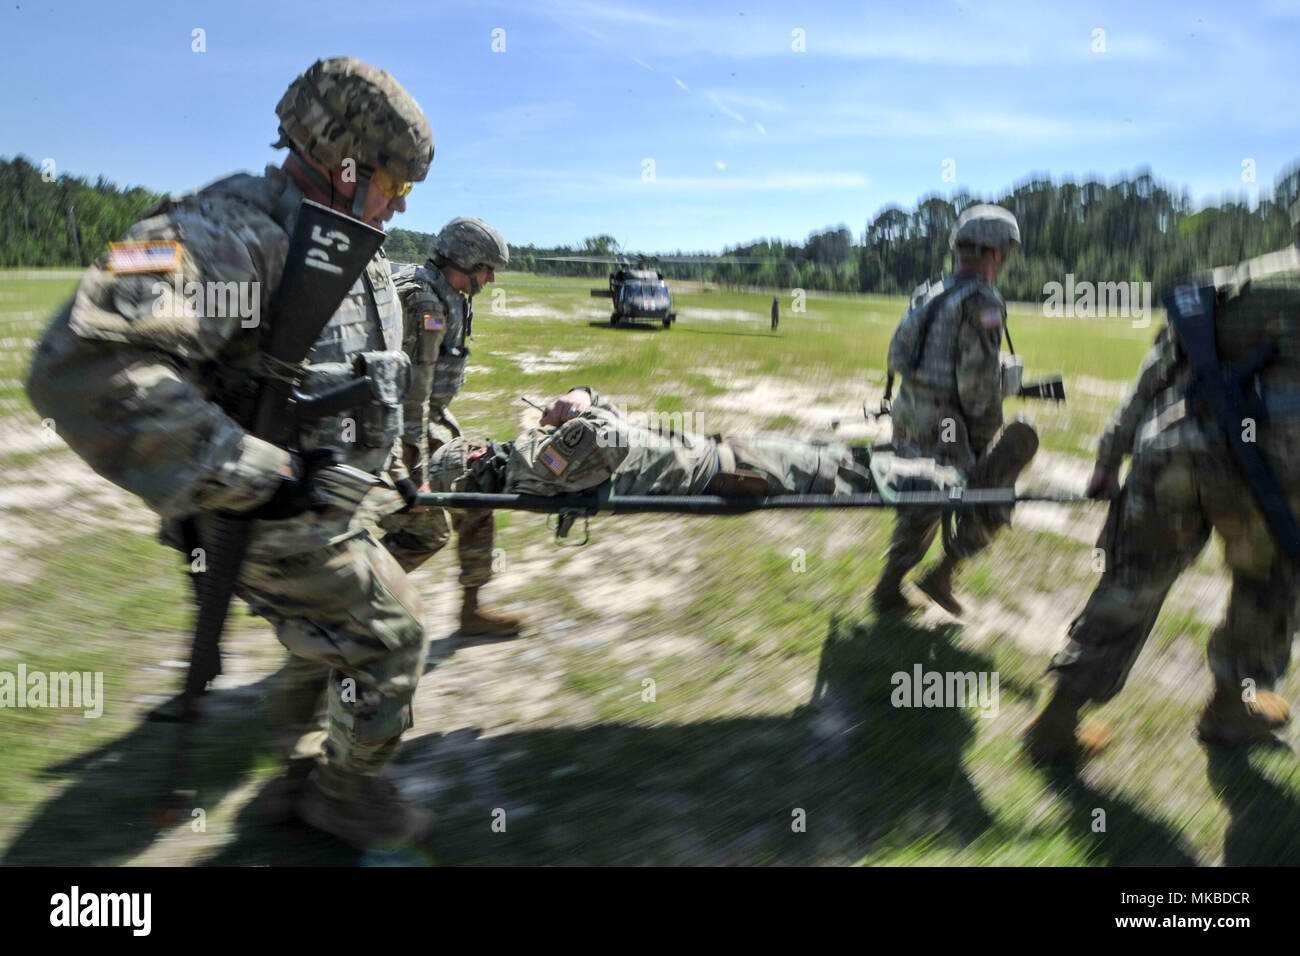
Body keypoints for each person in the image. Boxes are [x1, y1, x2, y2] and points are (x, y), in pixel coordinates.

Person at [24, 57, 438, 848]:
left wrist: (403, 467)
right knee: (394, 636)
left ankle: (295, 738)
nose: (399, 202)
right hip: (273, 518)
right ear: (342, 160)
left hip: (333, 499)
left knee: (397, 570)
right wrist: (257, 472)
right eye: (393, 181)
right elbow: (80, 365)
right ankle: (340, 797)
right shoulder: (233, 234)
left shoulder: (349, 245)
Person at [1023, 167, 1300, 762]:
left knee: (1130, 583)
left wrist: (1108, 455)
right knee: (1268, 592)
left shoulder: (1230, 283)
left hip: (1176, 452)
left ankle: (1056, 719)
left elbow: (1155, 374)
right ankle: (1231, 709)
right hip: (1278, 478)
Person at [417, 386, 1034, 505]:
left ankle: (945, 470)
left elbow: (607, 429)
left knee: (841, 458)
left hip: (716, 452)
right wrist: (582, 404)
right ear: (474, 461)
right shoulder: (540, 462)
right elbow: (602, 434)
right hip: (722, 467)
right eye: (473, 450)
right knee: (846, 474)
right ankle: (962, 485)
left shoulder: (531, 466)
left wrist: (580, 394)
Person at [871, 204, 1037, 616]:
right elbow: (977, 392)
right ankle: (943, 573)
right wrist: (988, 444)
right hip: (947, 427)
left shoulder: (932, 289)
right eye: (1006, 253)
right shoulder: (983, 300)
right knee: (996, 489)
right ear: (996, 251)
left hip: (908, 413)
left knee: (923, 497)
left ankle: (890, 587)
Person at [380, 218, 523, 636]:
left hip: (428, 427)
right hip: (396, 436)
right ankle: (343, 603)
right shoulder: (425, 303)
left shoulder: (450, 297)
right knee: (426, 530)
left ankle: (471, 612)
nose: (491, 278)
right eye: (487, 267)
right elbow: (413, 397)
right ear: (467, 259)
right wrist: (416, 477)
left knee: (481, 486)